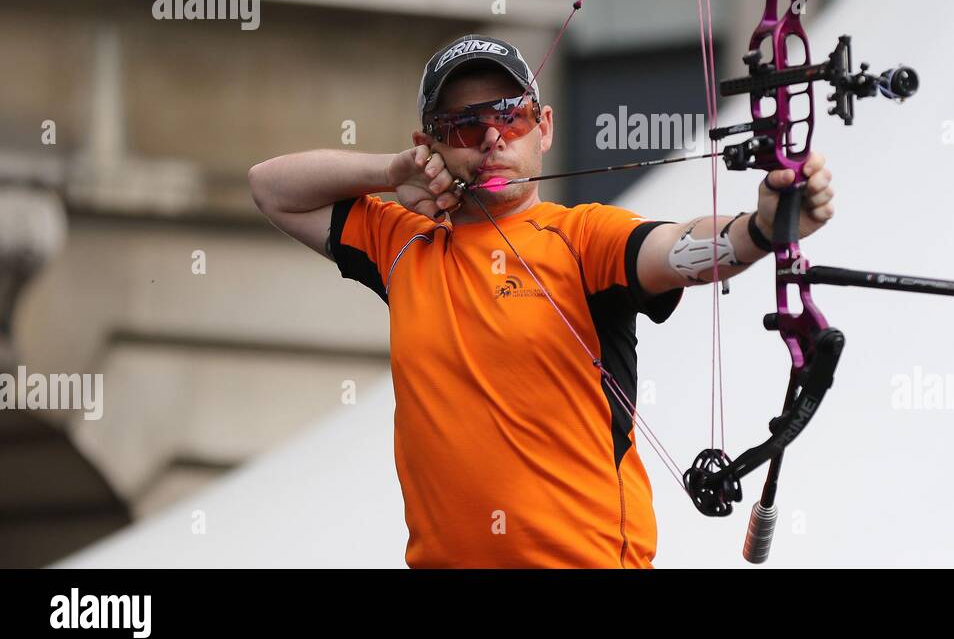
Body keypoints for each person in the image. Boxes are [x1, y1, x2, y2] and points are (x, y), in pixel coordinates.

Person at [247, 33, 835, 567]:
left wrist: (759, 228)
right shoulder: (402, 242)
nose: (493, 138)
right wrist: (389, 171)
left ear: (545, 126)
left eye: (511, 116)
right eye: (464, 126)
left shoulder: (582, 237)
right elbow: (270, 188)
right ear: (430, 145)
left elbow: (674, 249)